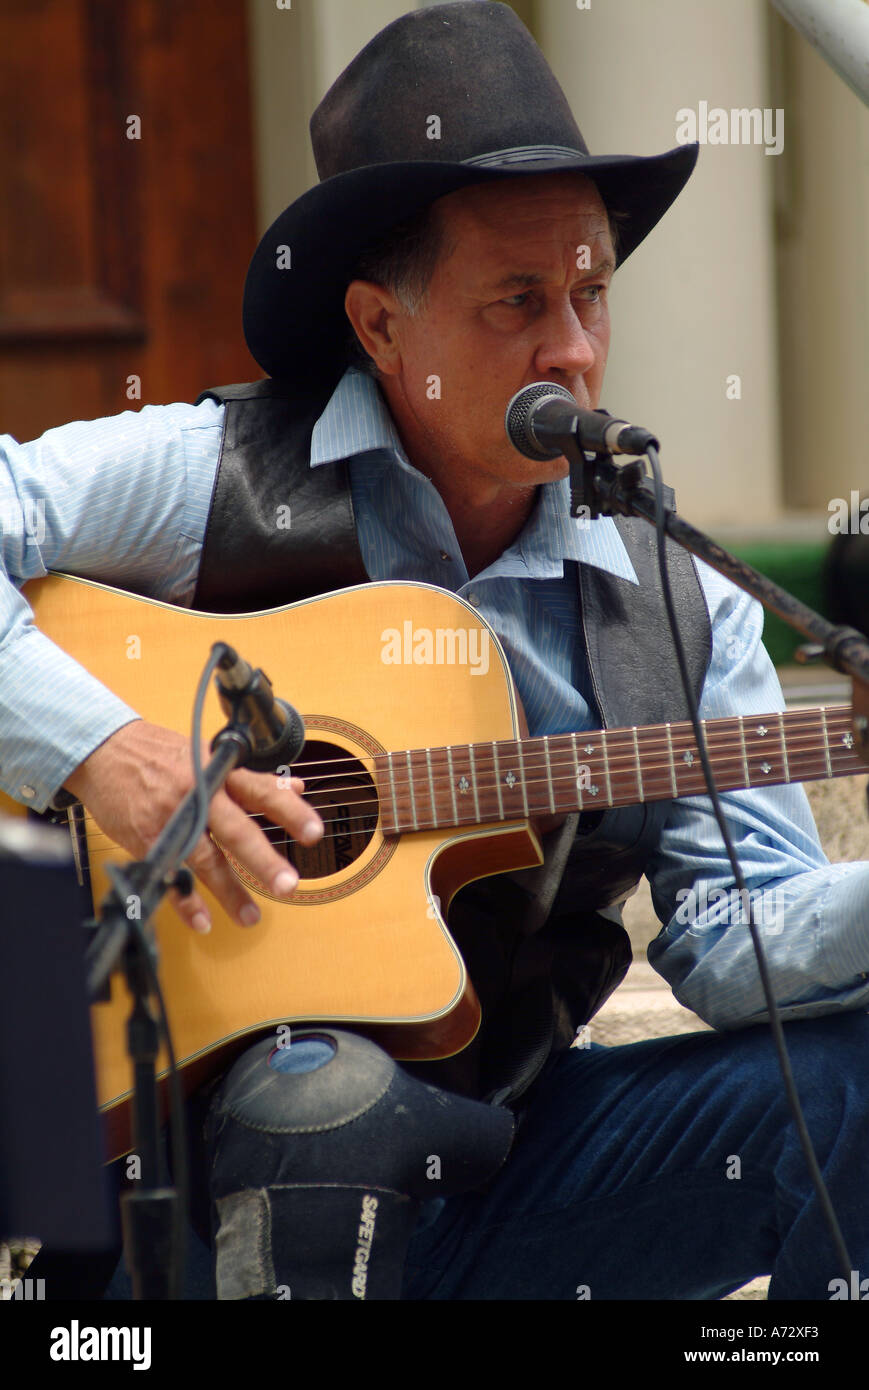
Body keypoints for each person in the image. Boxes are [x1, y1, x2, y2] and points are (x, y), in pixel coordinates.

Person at [4, 2, 869, 1301]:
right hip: (198, 1195)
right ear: (379, 326)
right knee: (324, 1098)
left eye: (590, 293)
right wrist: (106, 749)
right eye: (517, 301)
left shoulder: (676, 594)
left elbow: (737, 932)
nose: (572, 349)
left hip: (511, 1166)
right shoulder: (212, 473)